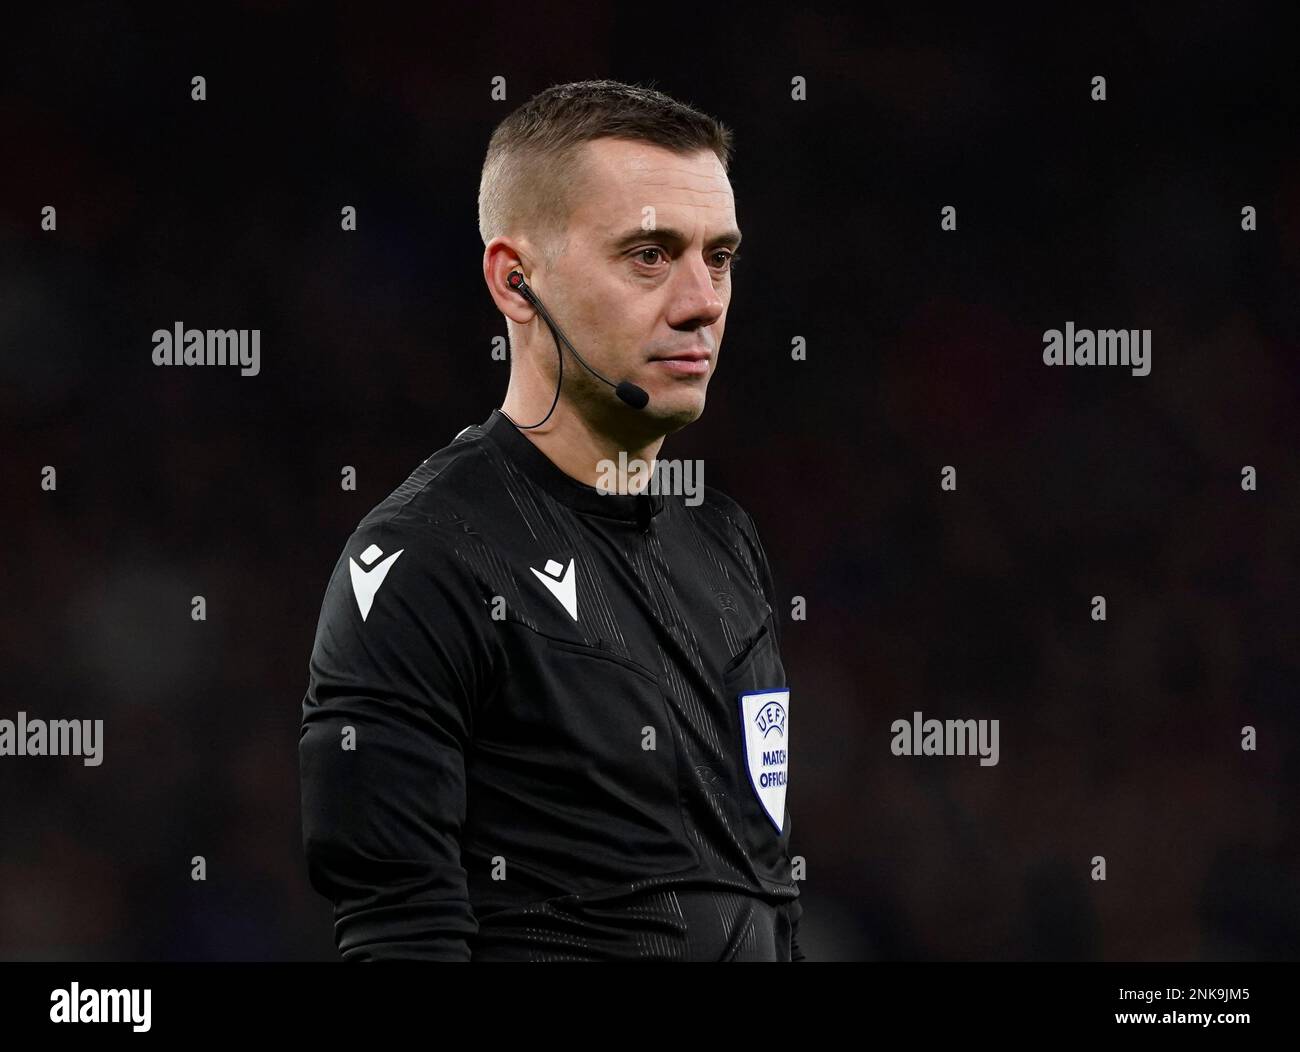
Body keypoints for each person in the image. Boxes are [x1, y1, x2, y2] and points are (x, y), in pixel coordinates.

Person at [299, 79, 803, 961]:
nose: (702, 301)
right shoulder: (423, 558)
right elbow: (401, 934)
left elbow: (766, 898)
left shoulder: (724, 544)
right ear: (516, 281)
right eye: (649, 254)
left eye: (717, 257)